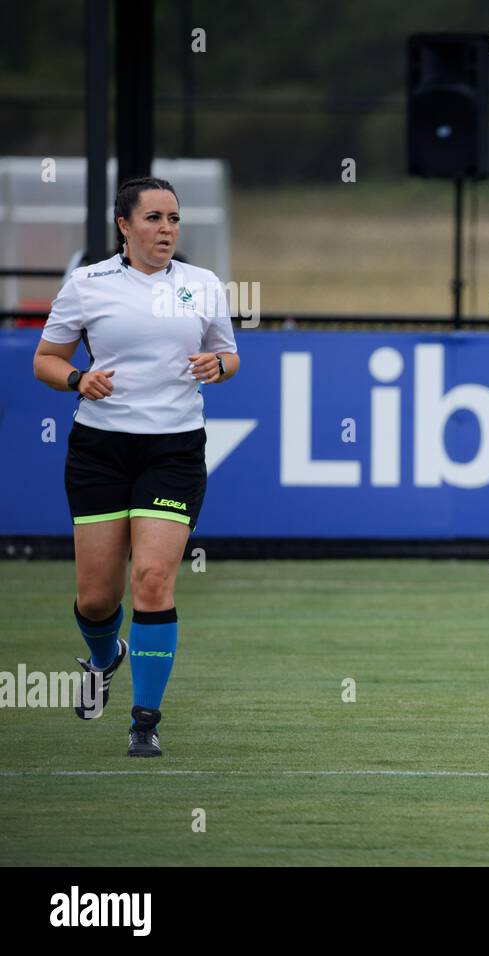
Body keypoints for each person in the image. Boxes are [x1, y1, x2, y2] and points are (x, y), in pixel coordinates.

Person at [32, 176, 240, 757]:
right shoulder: (88, 283)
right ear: (124, 226)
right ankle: (105, 657)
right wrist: (78, 379)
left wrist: (217, 367)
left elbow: (229, 354)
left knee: (151, 580)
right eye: (153, 218)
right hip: (100, 451)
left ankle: (144, 721)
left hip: (173, 450)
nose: (167, 229)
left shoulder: (201, 285)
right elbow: (45, 361)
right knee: (98, 599)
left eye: (174, 218)